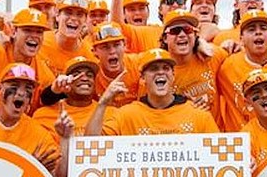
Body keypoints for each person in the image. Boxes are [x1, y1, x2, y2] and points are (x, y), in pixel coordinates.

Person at [91, 49, 220, 136]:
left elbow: (216, 156)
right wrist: (102, 103)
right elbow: (89, 145)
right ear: (142, 78)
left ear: (173, 75)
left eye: (166, 68)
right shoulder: (127, 115)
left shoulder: (197, 113)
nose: (160, 72)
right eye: (153, 69)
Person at [162, 9, 225, 123]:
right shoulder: (160, 71)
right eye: (175, 31)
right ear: (165, 38)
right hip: (182, 137)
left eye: (188, 30)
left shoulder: (210, 55)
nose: (182, 35)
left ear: (196, 35)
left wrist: (233, 45)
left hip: (214, 135)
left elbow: (212, 27)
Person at [33, 56, 118, 137]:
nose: (84, 79)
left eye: (89, 75)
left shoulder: (111, 113)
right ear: (65, 82)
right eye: (76, 75)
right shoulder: (43, 115)